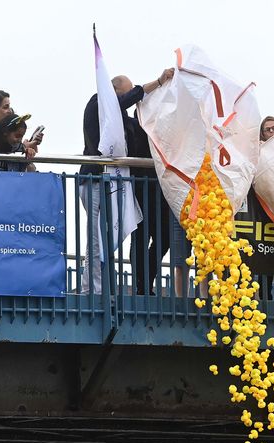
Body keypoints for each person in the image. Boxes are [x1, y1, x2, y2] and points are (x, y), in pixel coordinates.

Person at [78, 67, 173, 296]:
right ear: (114, 91)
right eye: (126, 93)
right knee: (97, 240)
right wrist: (158, 81)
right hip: (95, 180)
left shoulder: (121, 118)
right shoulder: (99, 102)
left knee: (105, 240)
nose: (129, 99)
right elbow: (130, 98)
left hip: (114, 183)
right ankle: (92, 291)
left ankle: (96, 288)